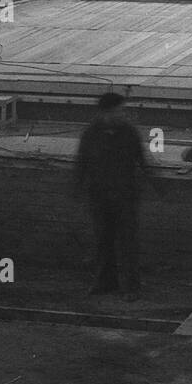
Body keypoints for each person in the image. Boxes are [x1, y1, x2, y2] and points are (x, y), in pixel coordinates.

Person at [74, 92, 149, 300]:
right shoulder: (93, 134)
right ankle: (107, 282)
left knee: (127, 243)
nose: (122, 114)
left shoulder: (123, 133)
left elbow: (142, 160)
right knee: (103, 241)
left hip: (123, 197)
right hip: (101, 197)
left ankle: (130, 286)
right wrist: (77, 187)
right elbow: (82, 163)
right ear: (106, 112)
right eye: (119, 111)